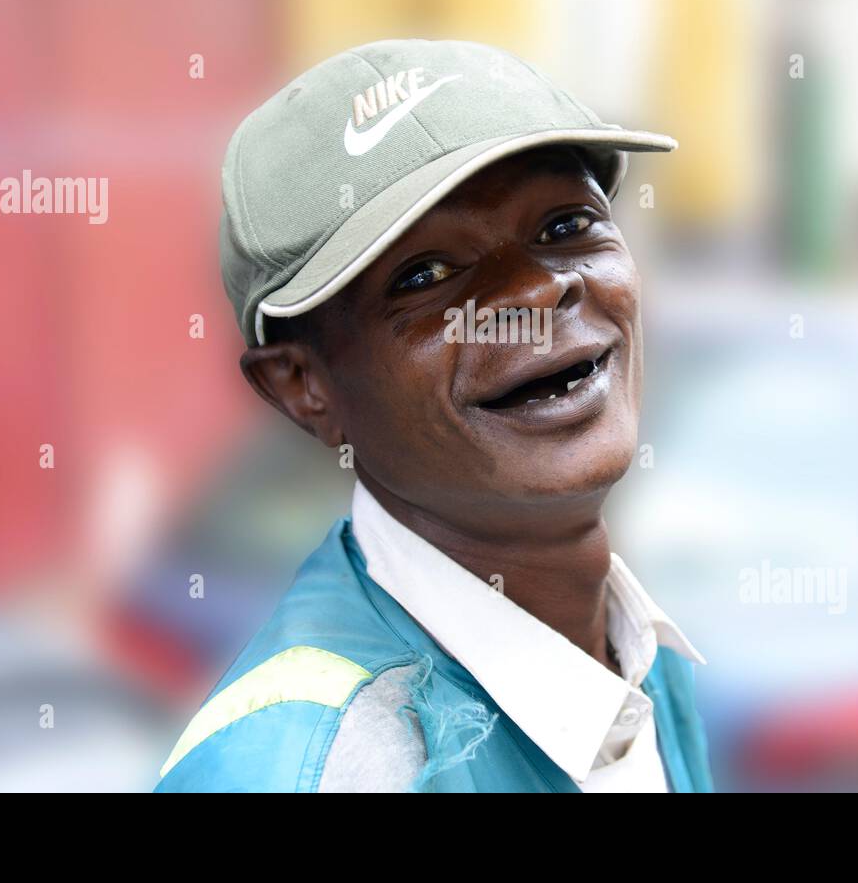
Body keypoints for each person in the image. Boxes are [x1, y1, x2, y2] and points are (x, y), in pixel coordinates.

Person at [155, 38, 714, 792]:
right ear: (302, 385)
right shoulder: (309, 771)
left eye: (564, 226)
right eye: (425, 276)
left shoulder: (646, 659)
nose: (534, 293)